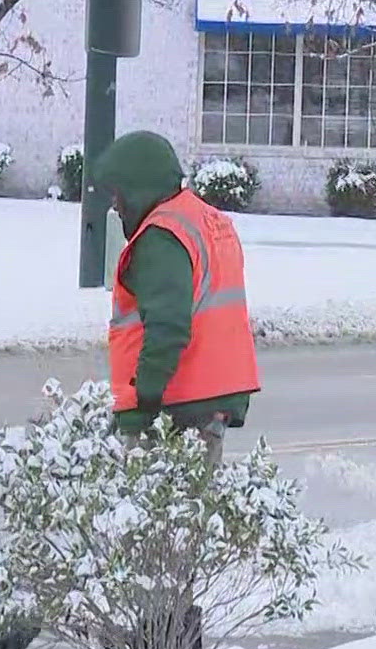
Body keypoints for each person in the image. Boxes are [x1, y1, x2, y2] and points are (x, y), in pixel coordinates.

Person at [90, 130, 261, 470]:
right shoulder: (210, 221)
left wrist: (144, 397)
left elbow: (168, 327)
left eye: (119, 193)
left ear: (139, 189)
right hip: (213, 394)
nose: (115, 204)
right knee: (196, 497)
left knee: (155, 499)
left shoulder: (162, 237)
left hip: (175, 404)